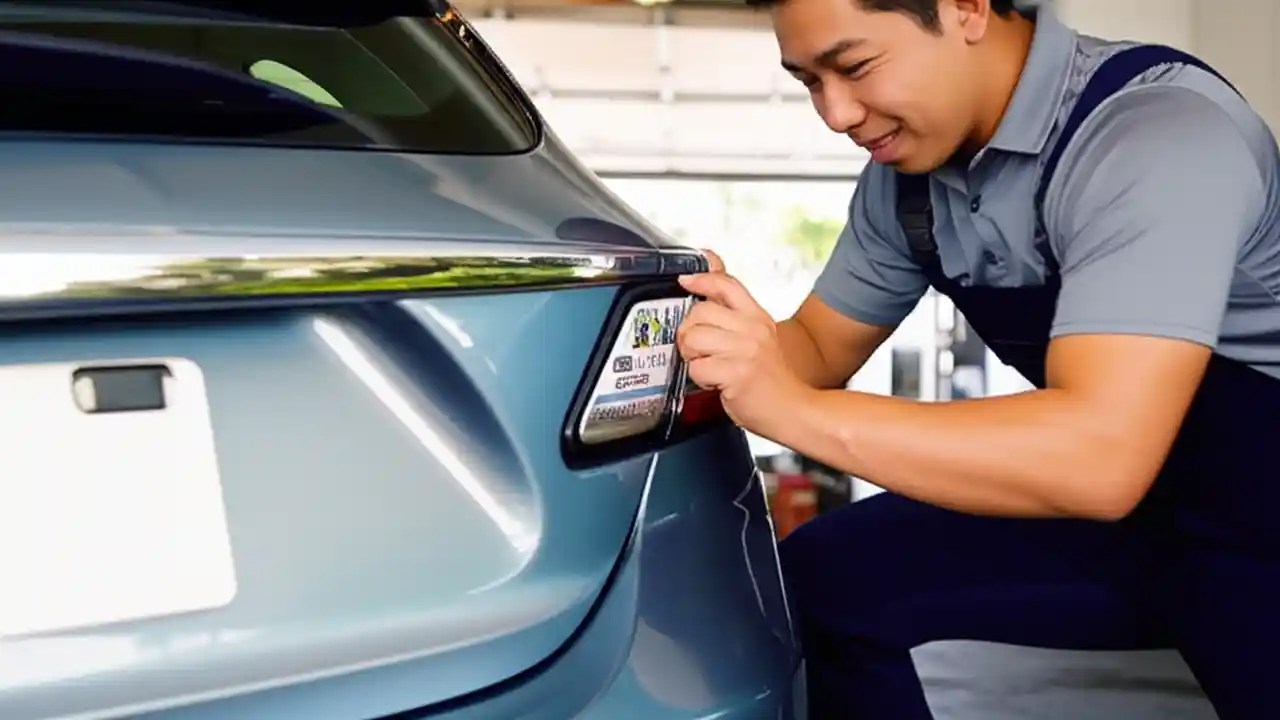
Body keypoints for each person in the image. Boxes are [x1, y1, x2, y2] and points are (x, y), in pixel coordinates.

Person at [672, 0, 1280, 718]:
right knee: (833, 574)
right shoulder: (906, 185)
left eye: (856, 67)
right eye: (809, 81)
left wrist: (794, 410)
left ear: (966, 8)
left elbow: (1099, 456)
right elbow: (810, 352)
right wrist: (699, 345)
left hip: (1255, 518)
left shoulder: (1157, 136)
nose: (835, 113)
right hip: (1142, 516)